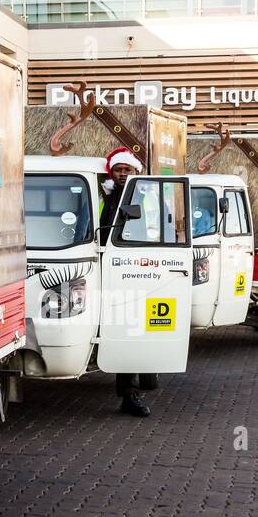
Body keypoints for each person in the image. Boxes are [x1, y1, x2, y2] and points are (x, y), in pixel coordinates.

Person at [99, 146, 156, 419]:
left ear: (135, 172)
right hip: (98, 267)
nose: (123, 174)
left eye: (127, 170)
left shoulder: (147, 197)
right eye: (119, 170)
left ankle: (129, 393)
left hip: (132, 269)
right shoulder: (103, 195)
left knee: (130, 328)